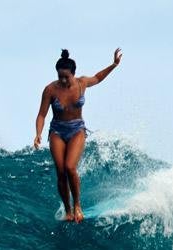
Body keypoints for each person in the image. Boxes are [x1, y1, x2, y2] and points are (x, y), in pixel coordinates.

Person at [34, 47, 123, 222]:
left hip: (77, 130)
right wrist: (38, 133)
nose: (63, 80)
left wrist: (114, 64)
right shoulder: (50, 90)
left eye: (66, 76)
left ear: (73, 74)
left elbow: (98, 78)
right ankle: (67, 210)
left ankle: (77, 205)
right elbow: (42, 115)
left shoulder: (82, 83)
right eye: (60, 76)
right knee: (60, 172)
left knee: (70, 168)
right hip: (57, 131)